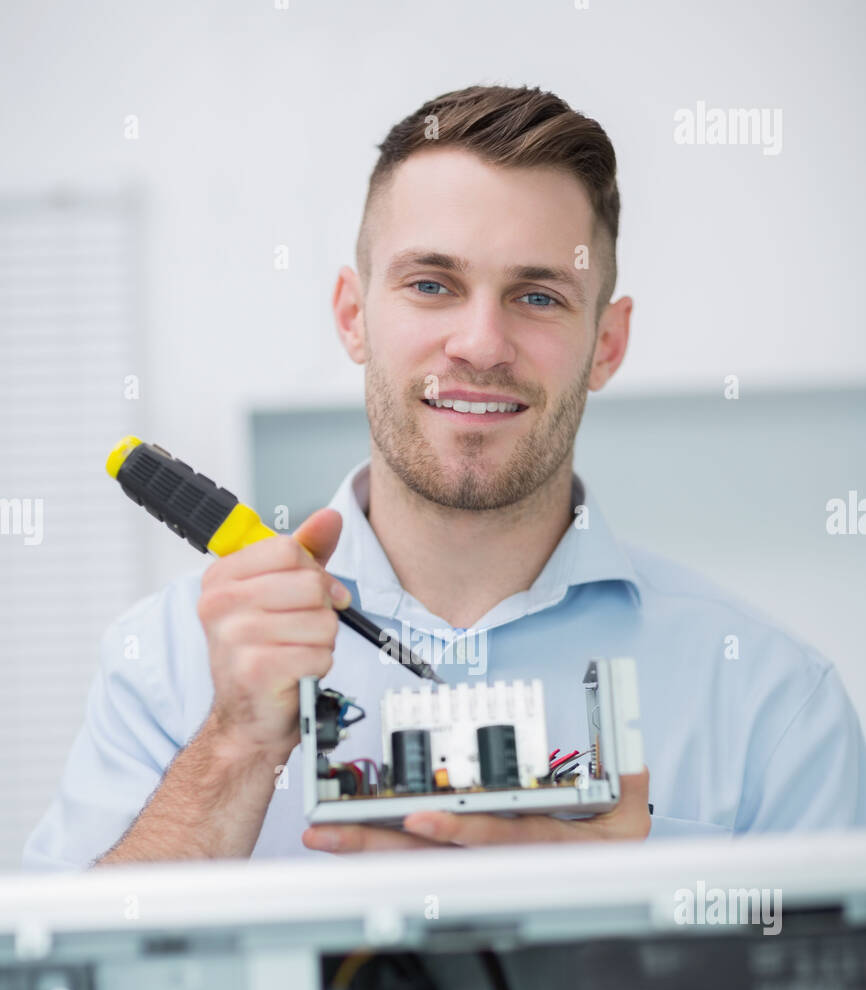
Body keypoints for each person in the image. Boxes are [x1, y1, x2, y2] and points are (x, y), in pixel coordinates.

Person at [22, 85, 866, 871]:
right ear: (354, 316)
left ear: (607, 343)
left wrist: (622, 900)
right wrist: (234, 746)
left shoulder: (772, 704)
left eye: (538, 296)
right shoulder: (166, 664)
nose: (480, 344)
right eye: (432, 284)